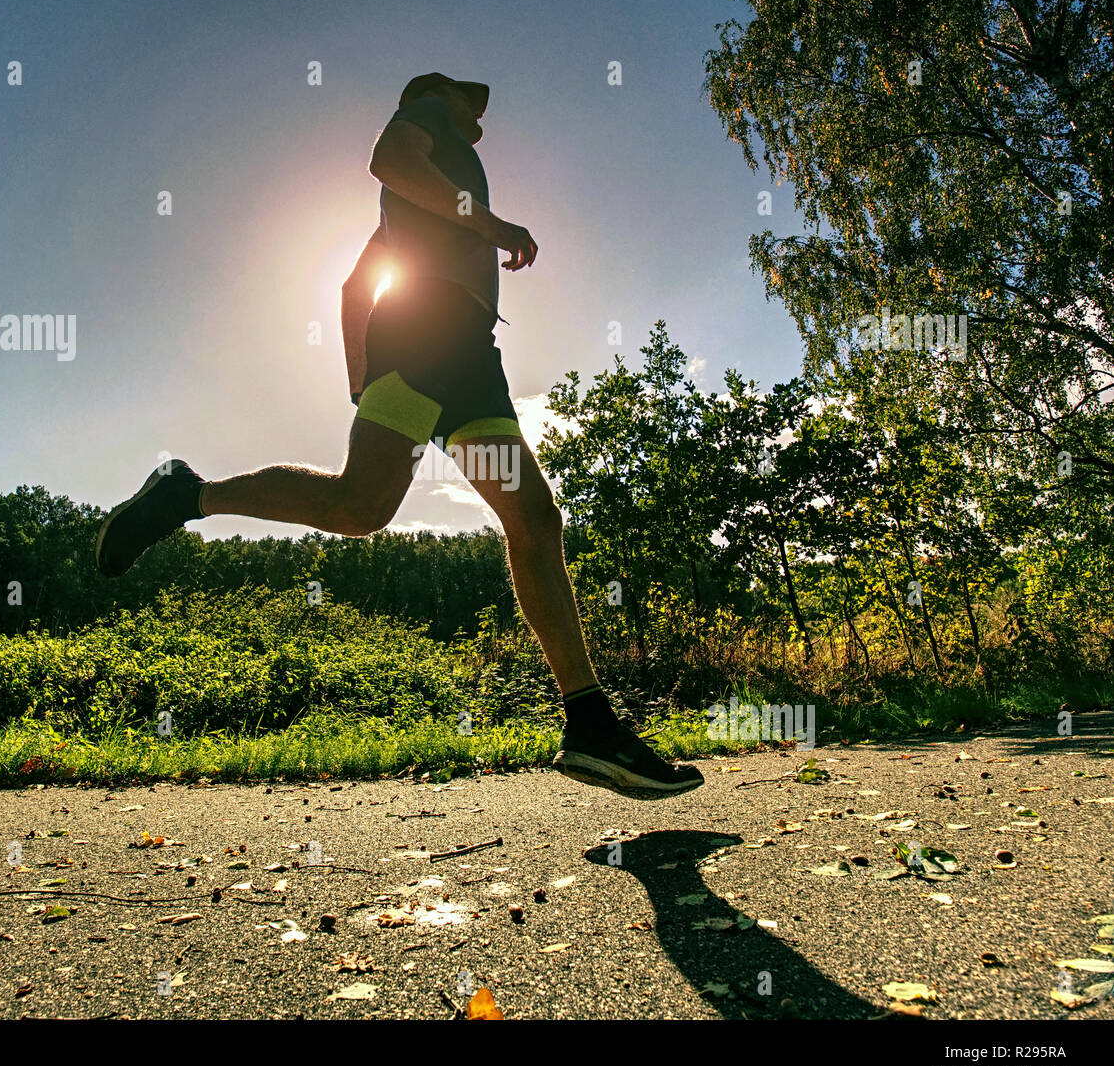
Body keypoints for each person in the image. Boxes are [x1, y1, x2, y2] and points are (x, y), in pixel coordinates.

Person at [95, 71, 702, 800]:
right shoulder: (425, 116)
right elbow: (387, 157)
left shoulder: (414, 201)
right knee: (367, 506)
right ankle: (186, 493)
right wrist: (492, 225)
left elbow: (355, 287)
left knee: (520, 515)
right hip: (428, 330)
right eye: (467, 100)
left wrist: (360, 380)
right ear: (437, 94)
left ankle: (590, 723)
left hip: (468, 352)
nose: (479, 114)